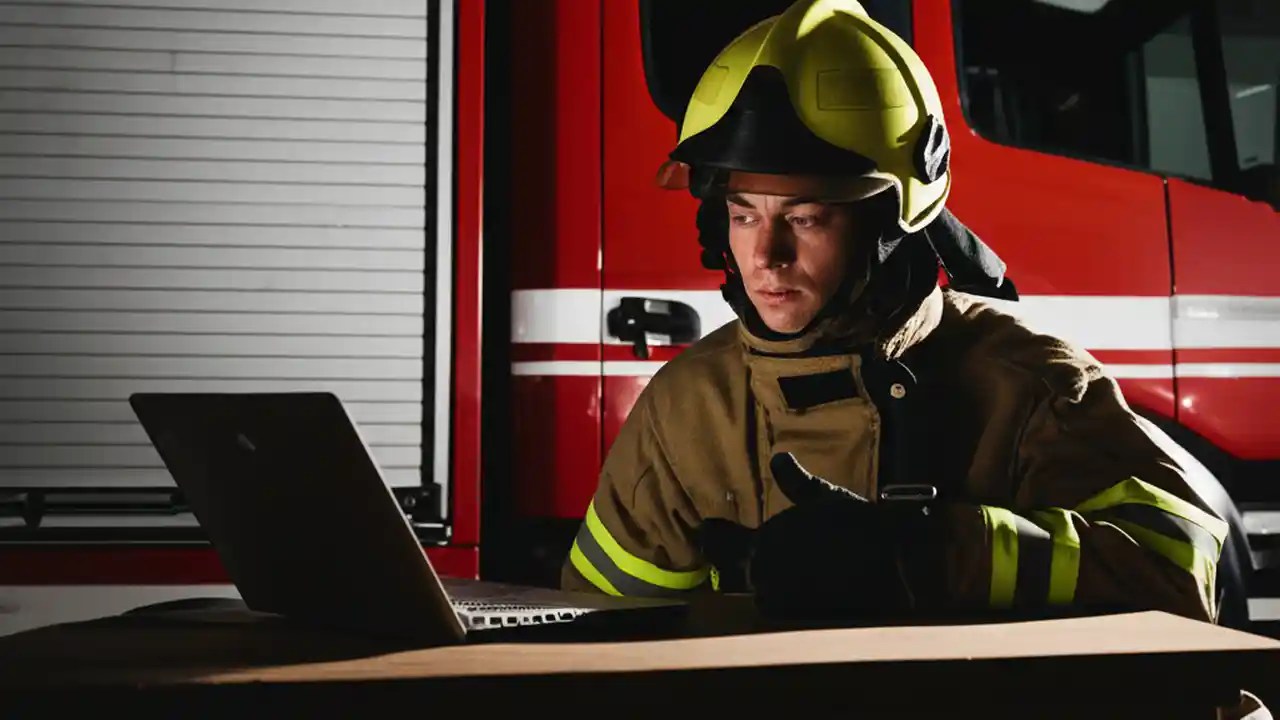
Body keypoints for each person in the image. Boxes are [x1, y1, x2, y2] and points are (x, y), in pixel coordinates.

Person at [561, 0, 1232, 648]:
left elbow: (1182, 572)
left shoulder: (1029, 385)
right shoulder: (688, 407)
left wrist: (928, 554)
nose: (767, 256)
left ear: (889, 223)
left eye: (806, 218)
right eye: (744, 215)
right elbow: (593, 632)